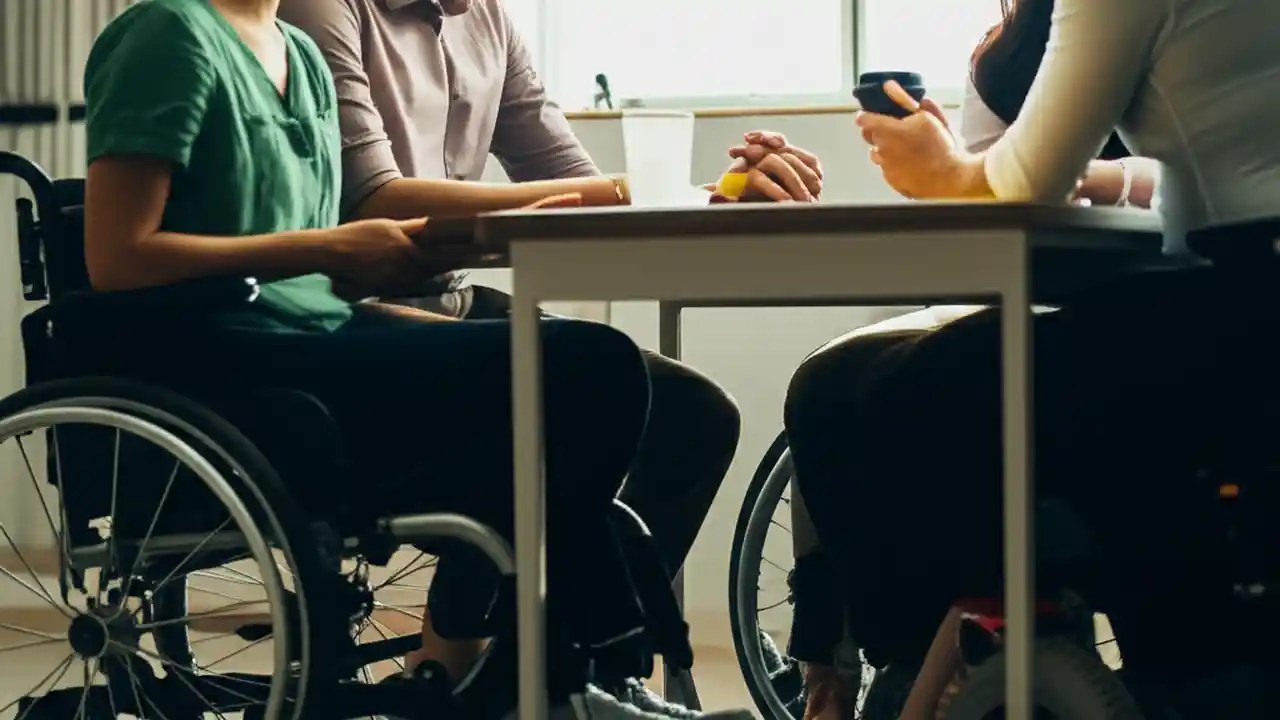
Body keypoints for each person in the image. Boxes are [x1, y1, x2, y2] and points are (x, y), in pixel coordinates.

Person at [79, 1, 744, 717]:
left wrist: (410, 258)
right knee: (588, 364)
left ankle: (551, 676)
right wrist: (324, 249)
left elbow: (319, 263)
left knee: (583, 367)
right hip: (229, 356)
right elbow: (117, 259)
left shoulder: (296, 52)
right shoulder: (165, 34)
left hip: (316, 330)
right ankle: (570, 676)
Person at [787, 0, 1280, 716]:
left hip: (1230, 301)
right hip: (1236, 288)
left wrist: (935, 166)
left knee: (900, 391)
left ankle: (931, 669)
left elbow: (1019, 183)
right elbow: (1222, 153)